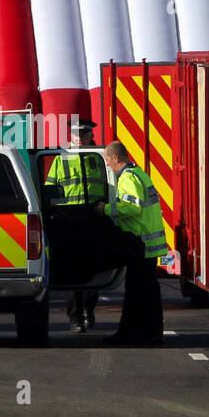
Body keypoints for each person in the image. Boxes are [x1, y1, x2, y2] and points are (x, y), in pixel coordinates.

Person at [98, 140, 168, 344]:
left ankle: (132, 334)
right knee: (146, 292)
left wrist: (106, 209)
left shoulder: (128, 178)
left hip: (139, 244)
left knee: (137, 293)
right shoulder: (140, 174)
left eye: (108, 161)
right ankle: (147, 333)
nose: (108, 165)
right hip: (147, 244)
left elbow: (132, 208)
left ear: (115, 158)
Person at [46, 119, 107, 332]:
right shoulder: (60, 159)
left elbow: (110, 188)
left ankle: (89, 310)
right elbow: (49, 189)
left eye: (83, 134)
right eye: (75, 134)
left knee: (94, 270)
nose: (79, 138)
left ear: (91, 136)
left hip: (94, 219)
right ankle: (75, 318)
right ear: (69, 137)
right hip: (68, 221)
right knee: (72, 273)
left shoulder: (99, 159)